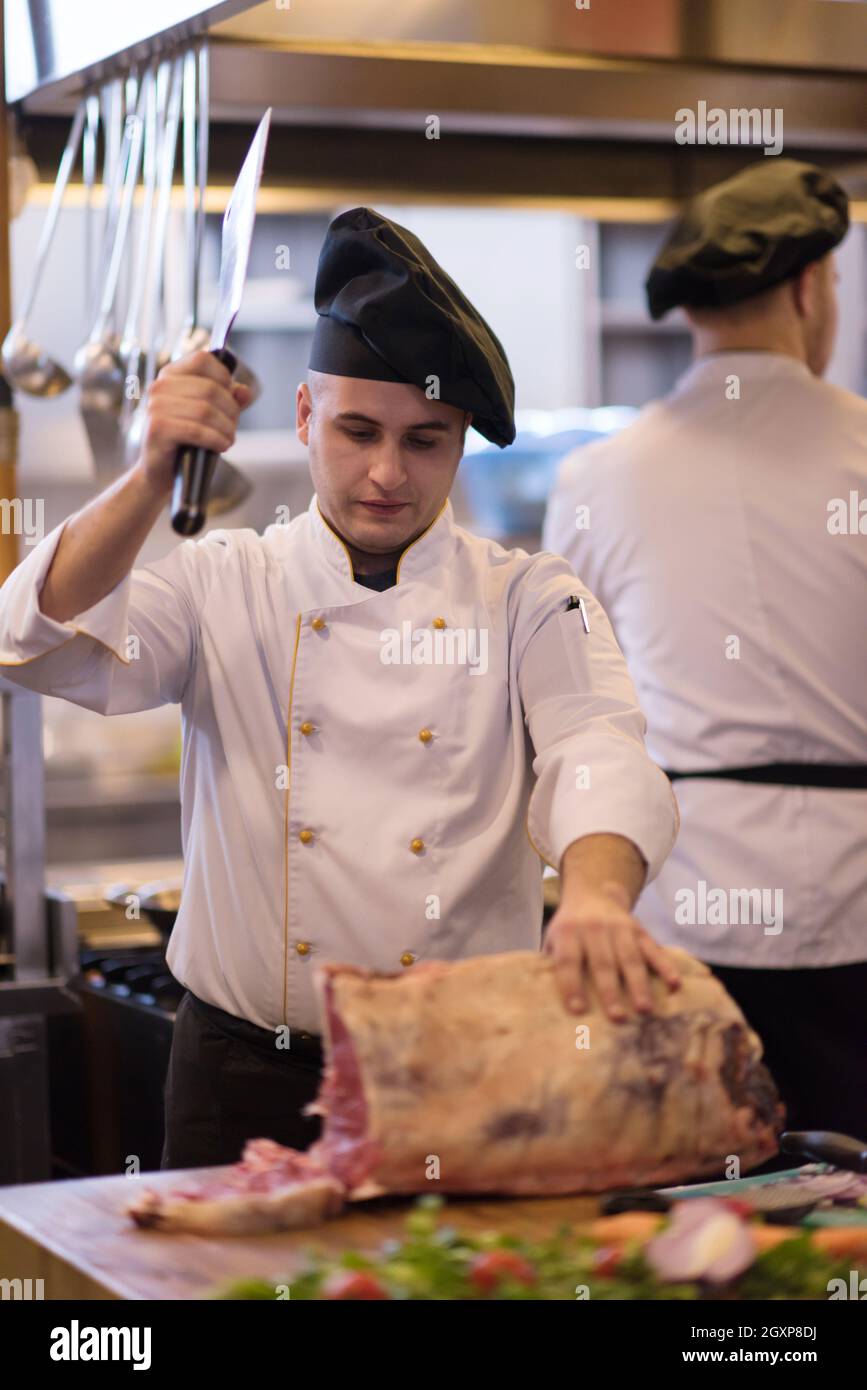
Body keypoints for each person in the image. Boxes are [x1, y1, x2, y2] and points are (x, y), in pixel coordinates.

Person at [0, 207, 678, 1169]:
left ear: (458, 444)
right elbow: (30, 642)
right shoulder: (224, 579)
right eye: (358, 431)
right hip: (240, 1076)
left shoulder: (529, 599)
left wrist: (600, 897)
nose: (387, 474)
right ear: (308, 416)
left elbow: (598, 750)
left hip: (461, 1068)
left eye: (426, 440)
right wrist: (155, 469)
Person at [544, 161, 867, 1139]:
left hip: (671, 921)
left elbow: (566, 707)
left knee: (698, 1206)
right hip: (857, 911)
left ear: (690, 312)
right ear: (811, 289)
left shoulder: (596, 475)